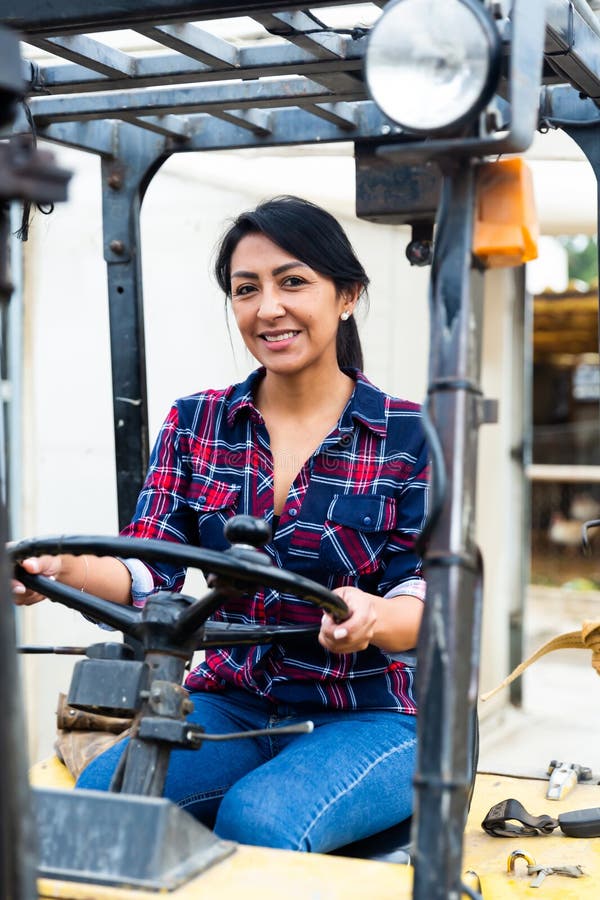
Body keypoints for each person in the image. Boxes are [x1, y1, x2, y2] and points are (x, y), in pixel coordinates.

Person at [14, 196, 429, 854]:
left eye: (293, 281)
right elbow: (153, 572)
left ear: (346, 295)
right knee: (97, 811)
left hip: (372, 713)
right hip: (230, 699)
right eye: (246, 289)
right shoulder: (196, 423)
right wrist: (63, 570)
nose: (268, 307)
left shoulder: (408, 433)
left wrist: (372, 616)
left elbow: (424, 592)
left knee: (259, 820)